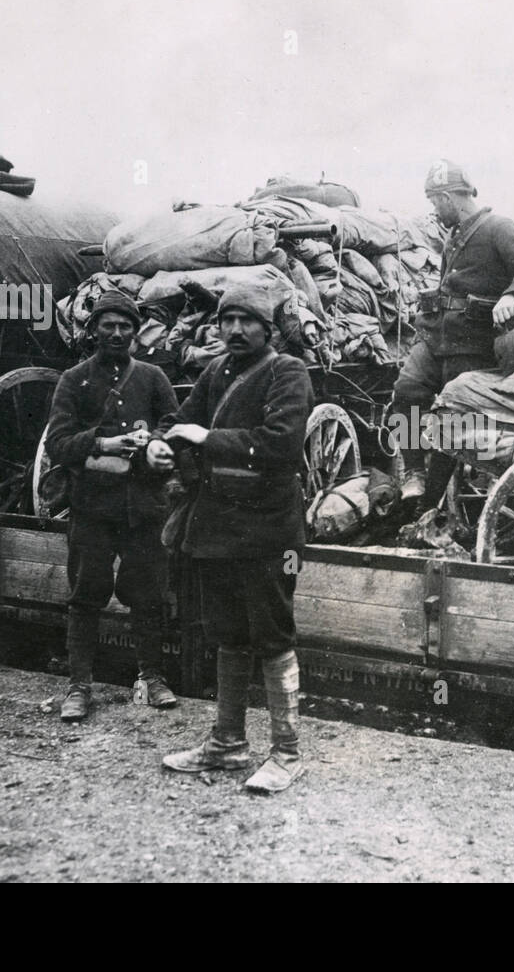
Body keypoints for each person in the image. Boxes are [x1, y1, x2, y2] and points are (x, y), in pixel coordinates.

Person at [149, 281, 314, 793]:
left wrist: (206, 440)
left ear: (268, 330)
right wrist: (161, 444)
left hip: (267, 529)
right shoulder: (215, 371)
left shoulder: (288, 372)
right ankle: (227, 742)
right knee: (228, 632)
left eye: (248, 322)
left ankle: (287, 753)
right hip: (218, 527)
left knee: (272, 634)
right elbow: (180, 420)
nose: (236, 330)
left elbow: (281, 444)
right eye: (227, 321)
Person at [45, 291, 181, 721]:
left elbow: (172, 425)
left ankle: (153, 678)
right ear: (94, 330)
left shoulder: (153, 378)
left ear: (136, 333)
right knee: (86, 596)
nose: (118, 334)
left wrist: (157, 442)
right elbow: (58, 444)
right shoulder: (74, 380)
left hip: (143, 506)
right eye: (109, 326)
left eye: (125, 326)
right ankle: (79, 687)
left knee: (148, 595)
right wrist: (103, 442)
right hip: (92, 508)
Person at [391, 159, 514, 500]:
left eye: (435, 201)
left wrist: (511, 294)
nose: (434, 209)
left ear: (449, 198)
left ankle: (430, 503)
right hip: (437, 338)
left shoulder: (498, 228)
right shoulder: (454, 234)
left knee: (454, 420)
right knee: (407, 391)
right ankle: (414, 472)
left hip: (472, 343)